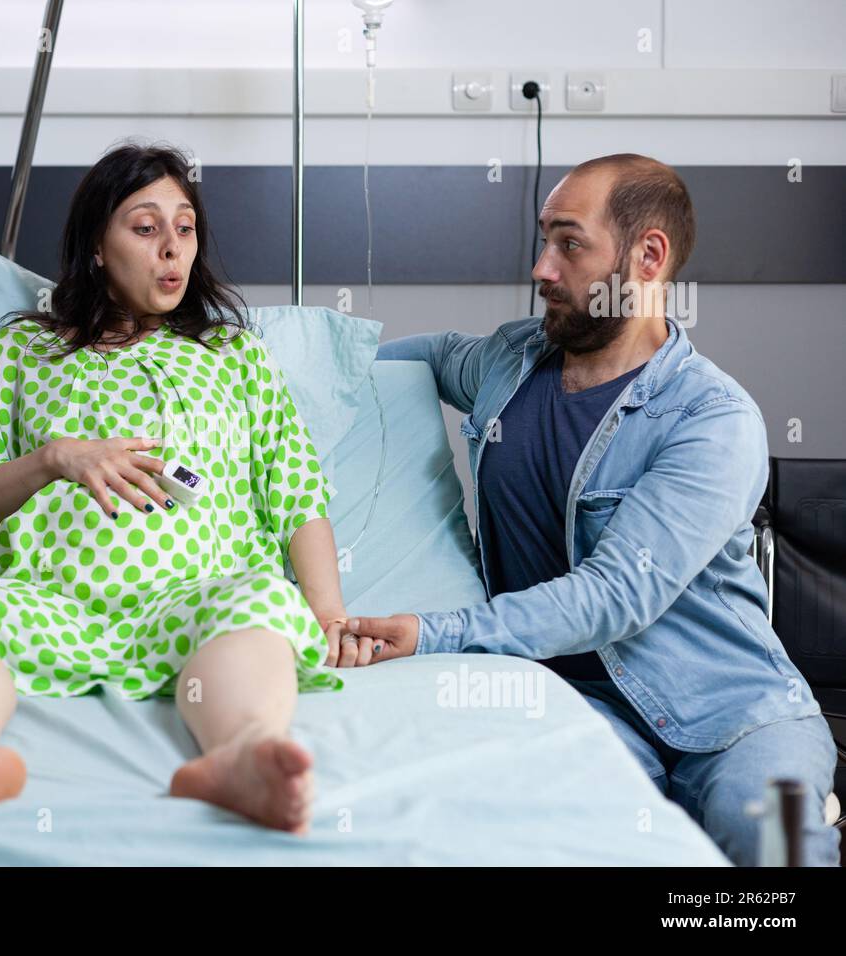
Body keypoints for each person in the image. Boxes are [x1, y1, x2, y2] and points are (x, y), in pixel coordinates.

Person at [348, 153, 841, 866]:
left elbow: (616, 596)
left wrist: (433, 633)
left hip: (745, 714)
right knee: (596, 845)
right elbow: (398, 362)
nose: (542, 268)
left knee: (781, 856)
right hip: (579, 709)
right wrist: (252, 368)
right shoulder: (508, 363)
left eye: (569, 244)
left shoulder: (712, 418)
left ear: (648, 256)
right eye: (543, 239)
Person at [0, 142, 351, 838]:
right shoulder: (21, 354)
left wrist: (327, 612)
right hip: (41, 599)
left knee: (263, 611)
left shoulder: (233, 357)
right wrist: (54, 459)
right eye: (146, 228)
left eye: (184, 228)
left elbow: (296, 492)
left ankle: (244, 756)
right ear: (96, 245)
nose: (171, 249)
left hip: (197, 595)